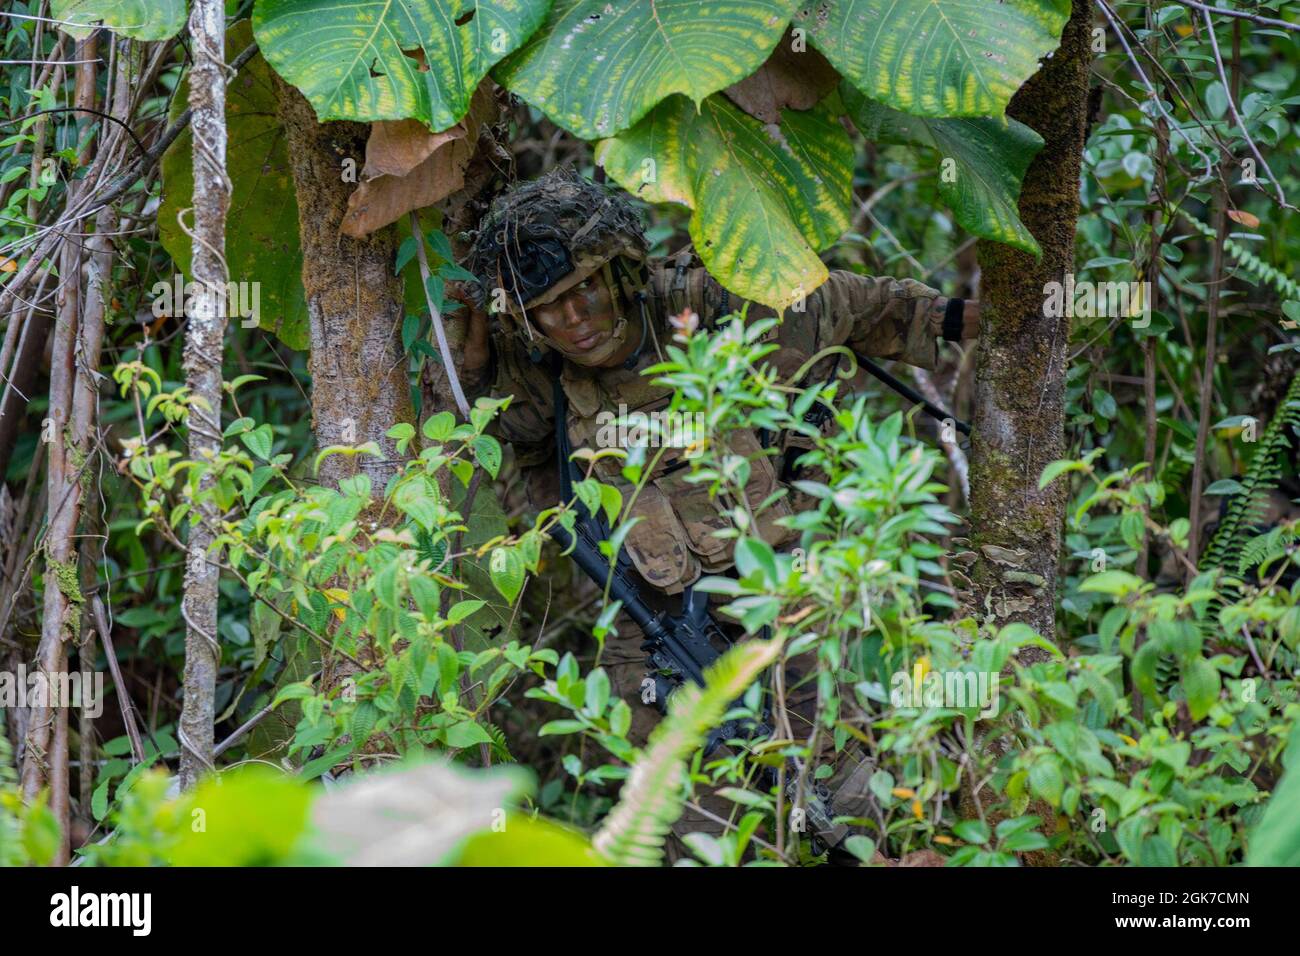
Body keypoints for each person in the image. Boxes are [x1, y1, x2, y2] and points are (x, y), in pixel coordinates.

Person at [458, 167, 978, 854]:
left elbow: (848, 304)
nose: (573, 318)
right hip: (653, 636)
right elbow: (485, 446)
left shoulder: (713, 305)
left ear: (621, 269)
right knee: (696, 833)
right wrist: (467, 373)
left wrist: (969, 320)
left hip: (779, 598)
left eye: (584, 288)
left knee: (852, 804)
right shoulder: (535, 375)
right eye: (548, 306)